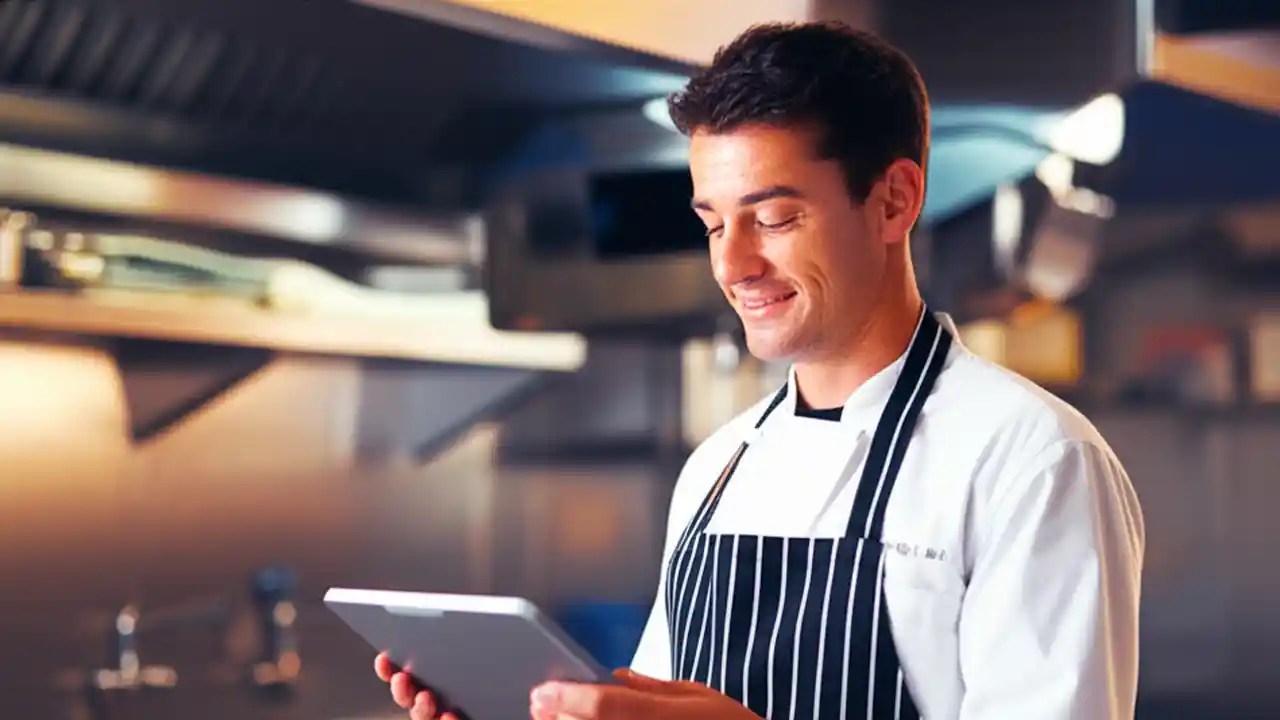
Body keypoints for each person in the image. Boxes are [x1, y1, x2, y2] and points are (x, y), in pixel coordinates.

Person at [375, 20, 1145, 720]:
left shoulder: (1031, 461)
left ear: (894, 201)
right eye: (713, 224)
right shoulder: (718, 469)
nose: (733, 264)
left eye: (774, 218)